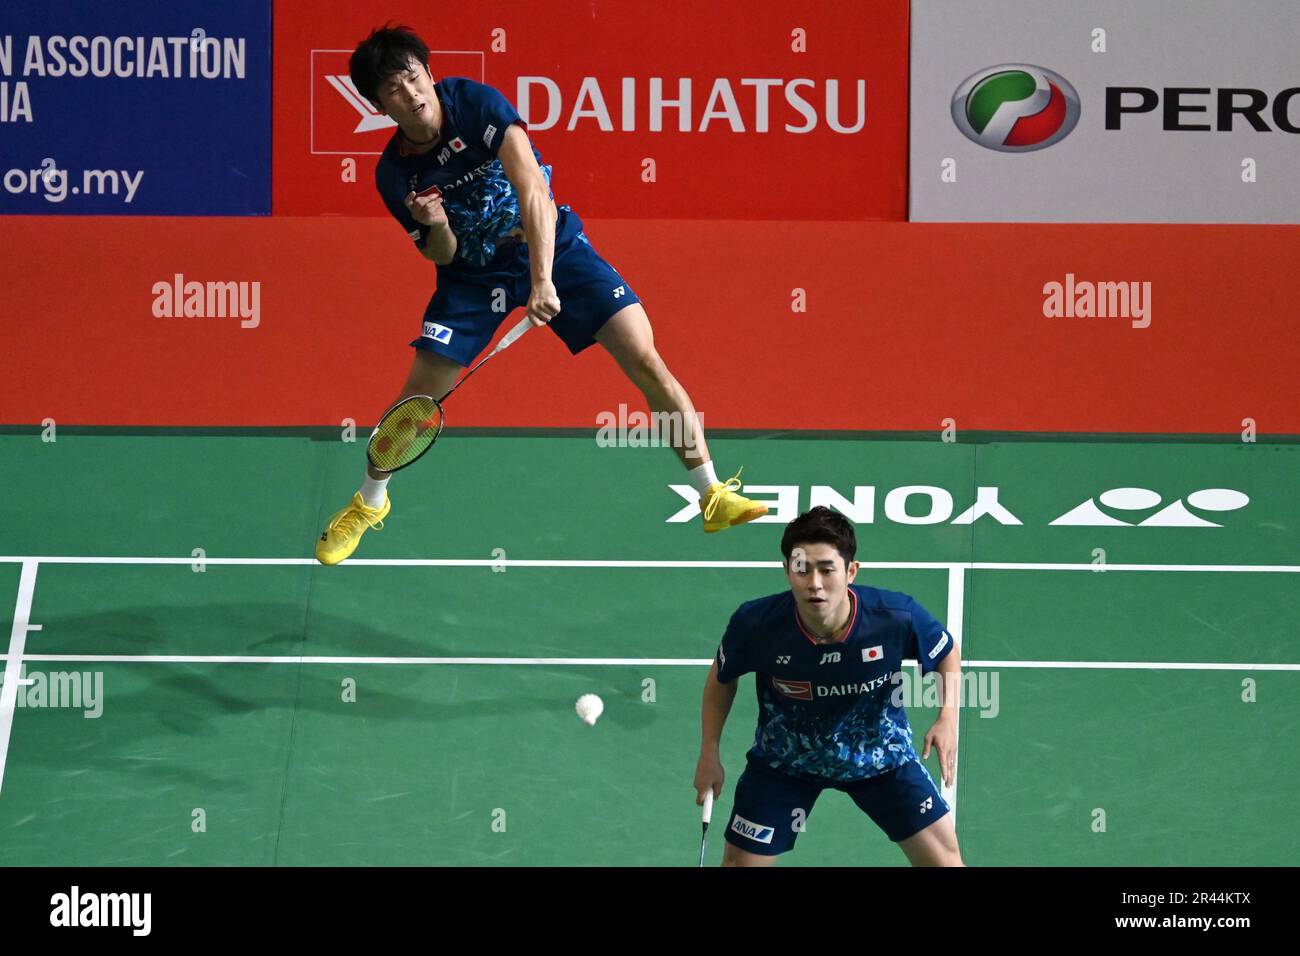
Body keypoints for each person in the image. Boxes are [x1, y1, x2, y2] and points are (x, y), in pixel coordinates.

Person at [315, 25, 766, 564]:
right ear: (378, 105)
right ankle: (370, 501)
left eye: (414, 78)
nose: (410, 95)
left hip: (550, 245)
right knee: (418, 400)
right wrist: (434, 223)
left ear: (430, 74)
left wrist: (543, 279)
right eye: (392, 90)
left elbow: (532, 187)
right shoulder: (396, 175)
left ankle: (710, 493)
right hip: (473, 276)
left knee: (645, 359)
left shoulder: (477, 105)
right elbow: (439, 255)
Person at [694, 506, 965, 866]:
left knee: (945, 863)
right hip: (787, 761)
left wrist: (947, 717)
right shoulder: (757, 624)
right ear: (787, 570)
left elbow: (946, 652)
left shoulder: (895, 617)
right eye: (802, 569)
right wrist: (709, 751)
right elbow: (721, 679)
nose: (815, 584)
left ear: (851, 571)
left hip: (879, 756)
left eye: (827, 569)